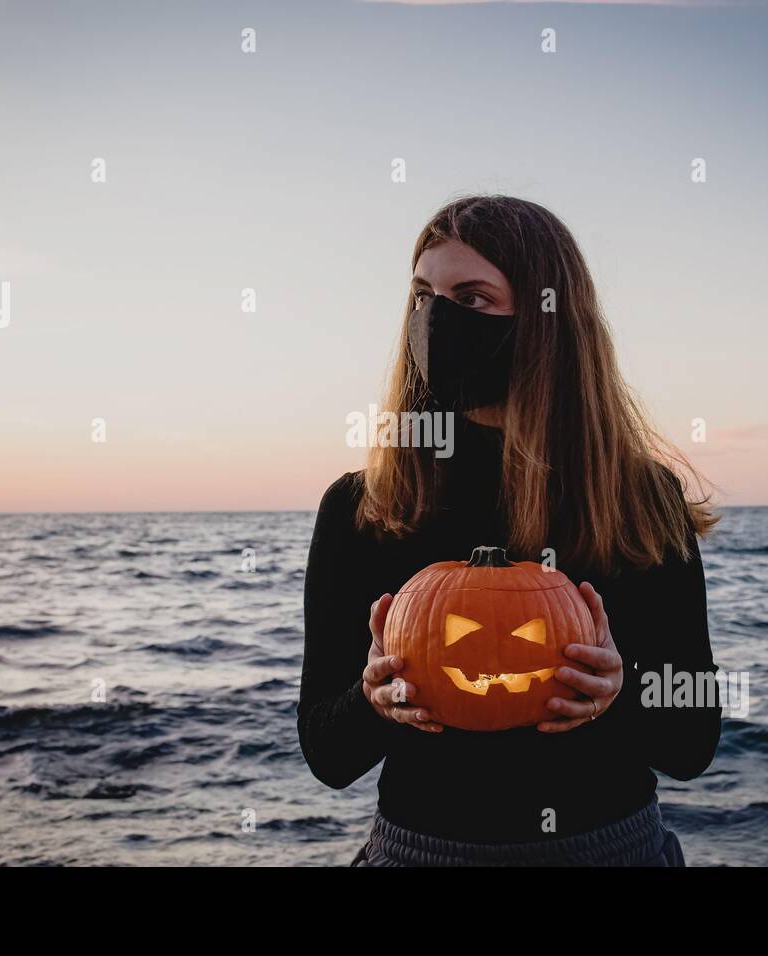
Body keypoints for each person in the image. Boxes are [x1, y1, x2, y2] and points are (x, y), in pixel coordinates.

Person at [297, 195, 721, 866]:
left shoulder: (638, 498)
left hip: (609, 853)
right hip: (420, 854)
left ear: (549, 319)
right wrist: (369, 699)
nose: (436, 319)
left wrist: (619, 690)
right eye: (422, 296)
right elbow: (326, 754)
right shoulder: (366, 506)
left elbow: (693, 744)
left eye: (472, 298)